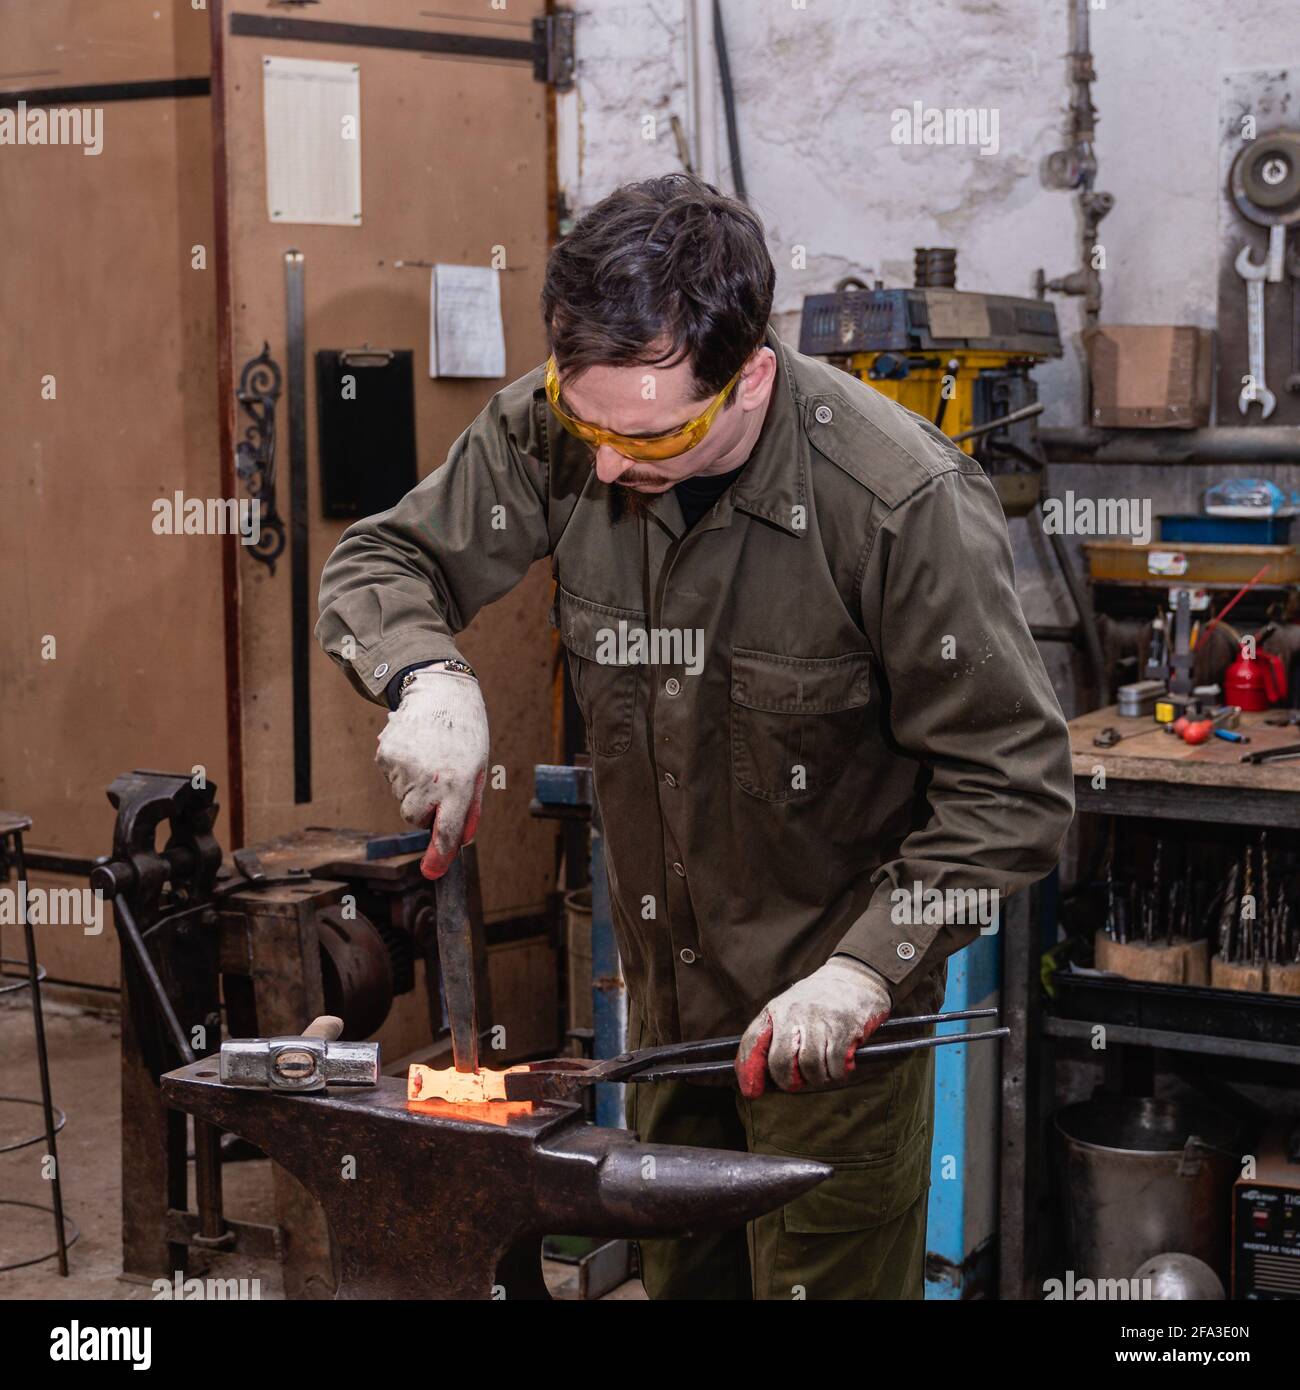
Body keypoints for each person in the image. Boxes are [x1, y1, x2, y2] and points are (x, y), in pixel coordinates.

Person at [316, 173, 1074, 1299]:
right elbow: (384, 560)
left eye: (655, 432)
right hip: (664, 1018)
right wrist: (426, 678)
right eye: (589, 426)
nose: (610, 465)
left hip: (831, 1032)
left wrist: (865, 971)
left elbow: (1013, 788)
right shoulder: (564, 423)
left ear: (752, 375)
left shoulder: (897, 504)